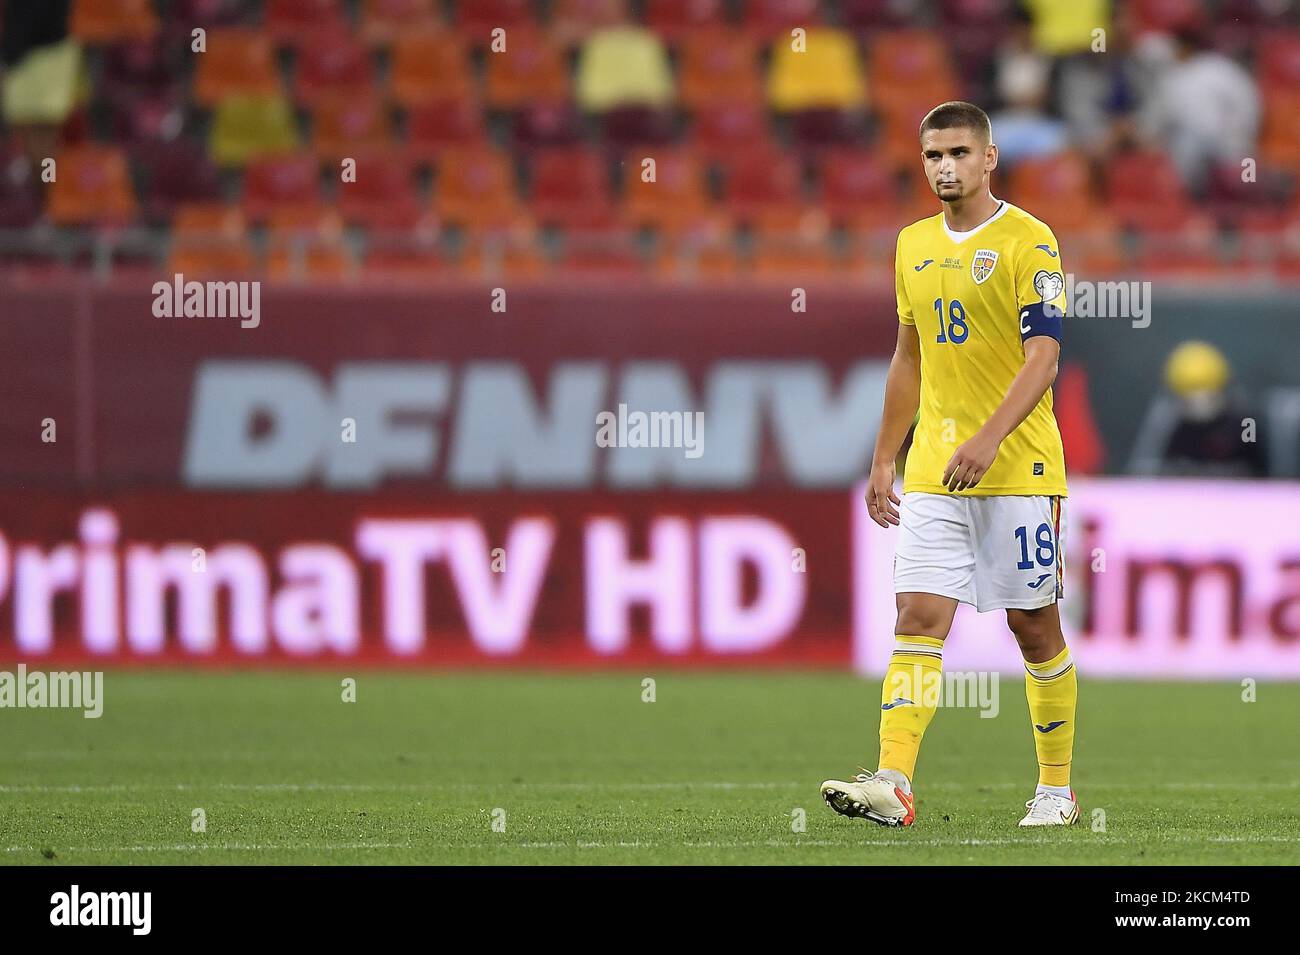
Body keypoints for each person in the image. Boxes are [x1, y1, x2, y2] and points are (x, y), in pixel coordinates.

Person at [821, 102, 1078, 828]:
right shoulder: (910, 244)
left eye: (960, 153)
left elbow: (1045, 355)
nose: (945, 167)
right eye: (933, 155)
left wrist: (992, 435)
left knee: (1034, 628)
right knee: (917, 615)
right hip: (935, 467)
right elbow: (909, 355)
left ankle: (1056, 789)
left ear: (990, 157)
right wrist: (883, 459)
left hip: (1018, 468)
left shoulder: (1031, 240)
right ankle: (893, 780)